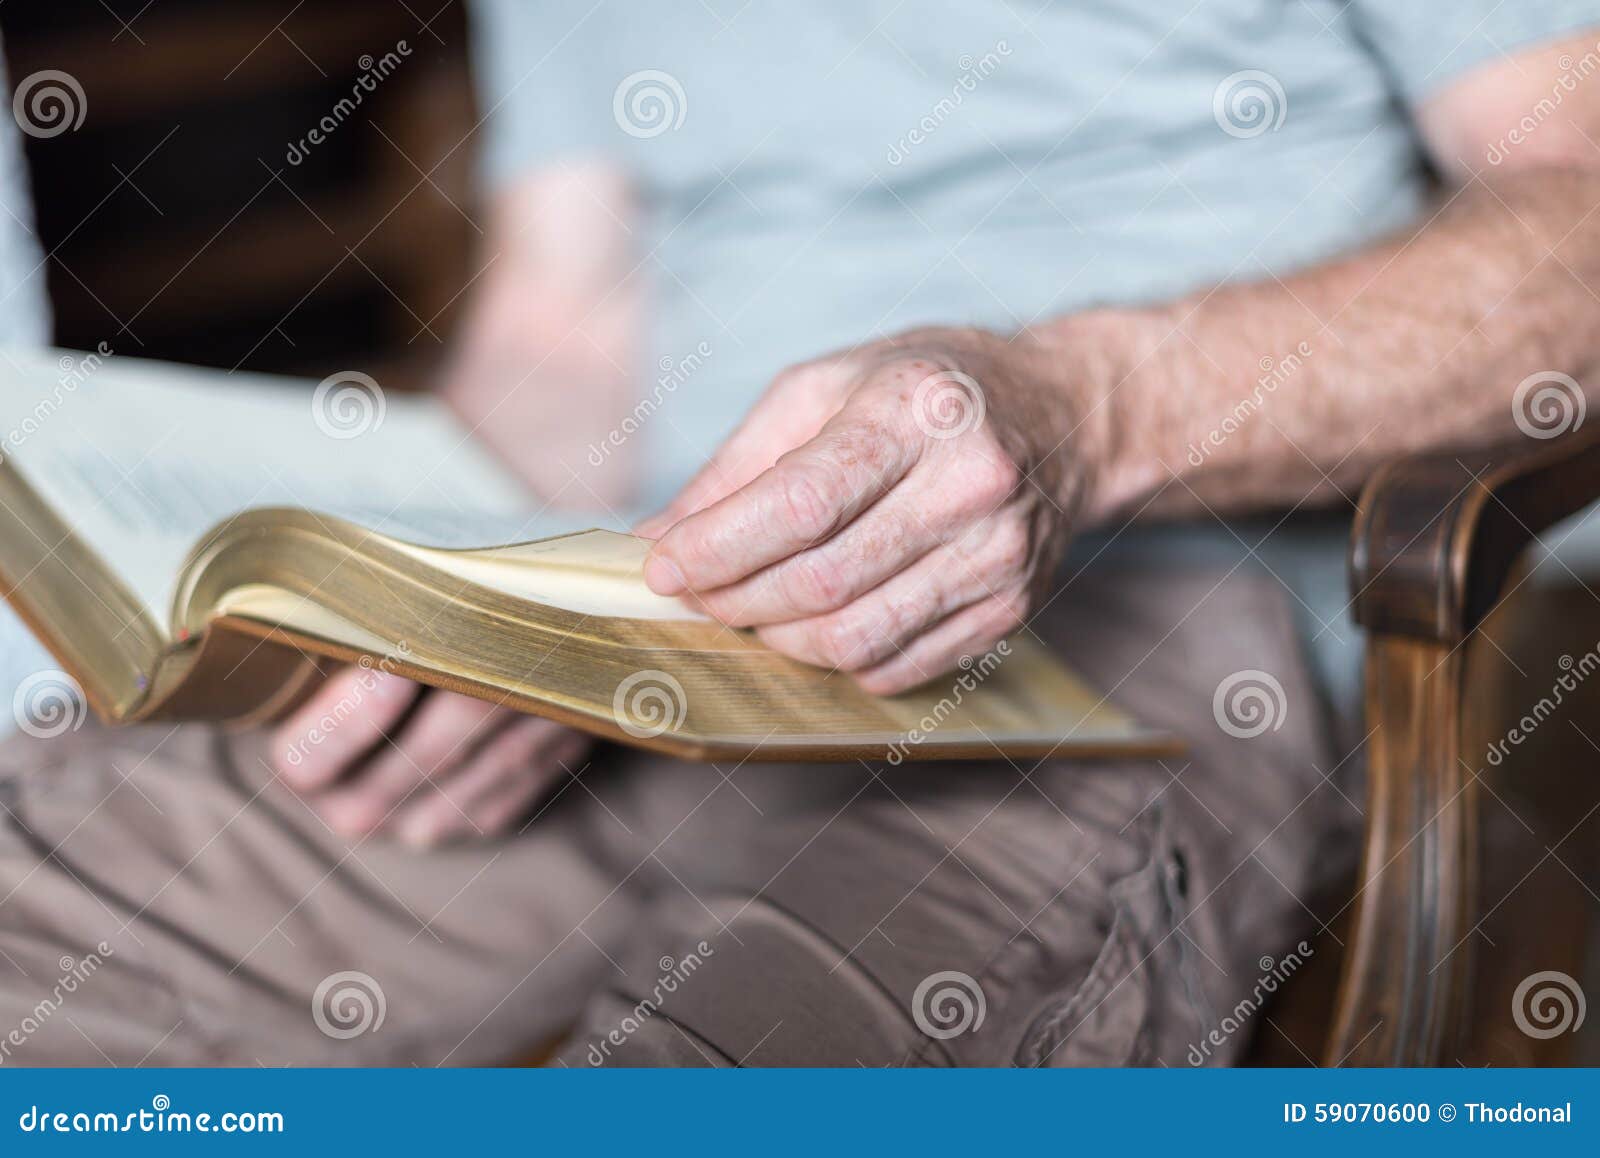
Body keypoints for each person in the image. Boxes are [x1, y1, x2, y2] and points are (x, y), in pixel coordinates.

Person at [3, 1, 1600, 1065]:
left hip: (1151, 621)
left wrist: (1084, 411)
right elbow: (564, 334)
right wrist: (438, 599)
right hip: (637, 618)